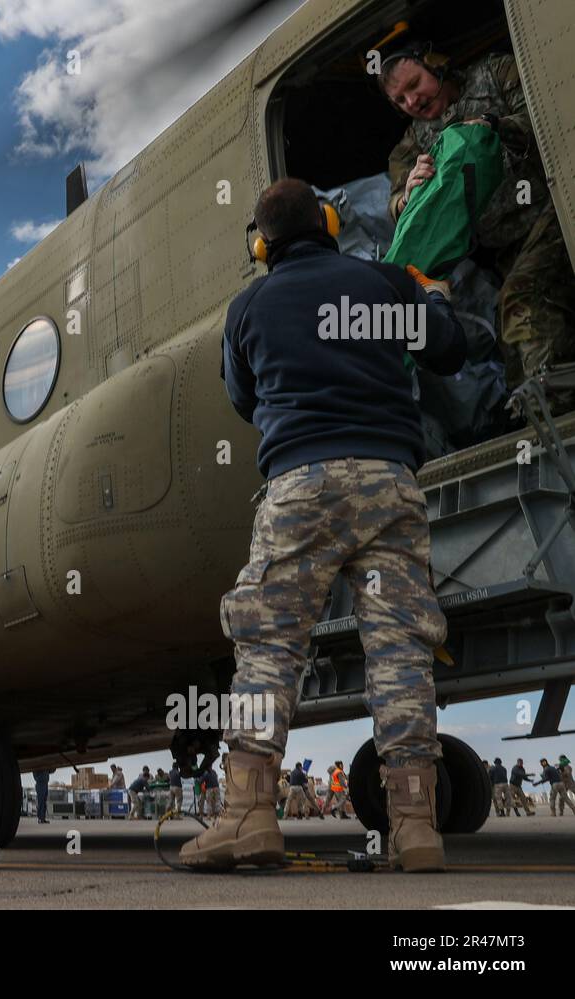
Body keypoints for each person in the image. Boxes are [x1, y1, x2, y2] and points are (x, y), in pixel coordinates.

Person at [181, 177, 467, 872]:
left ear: (262, 244)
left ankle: (249, 814)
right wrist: (430, 294)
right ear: (331, 223)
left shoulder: (247, 306)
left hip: (300, 484)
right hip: (389, 479)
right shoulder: (385, 285)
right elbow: (451, 351)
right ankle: (416, 824)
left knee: (268, 648)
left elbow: (244, 398)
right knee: (400, 650)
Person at [380, 40, 575, 402]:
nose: (412, 102)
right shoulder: (411, 145)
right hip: (505, 248)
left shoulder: (496, 74)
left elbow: (549, 110)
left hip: (552, 212)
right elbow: (394, 206)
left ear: (435, 64)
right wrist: (408, 193)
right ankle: (533, 417)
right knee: (508, 334)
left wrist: (494, 126)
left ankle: (557, 410)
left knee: (521, 300)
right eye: (400, 101)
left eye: (413, 85)